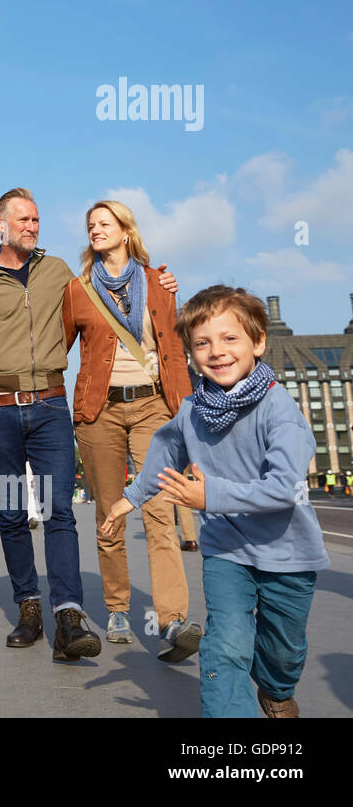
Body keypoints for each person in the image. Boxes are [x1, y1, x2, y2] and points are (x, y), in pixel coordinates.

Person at [0, 188, 179, 661]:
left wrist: (159, 280)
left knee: (59, 510)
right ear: (0, 225)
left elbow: (112, 290)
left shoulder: (59, 273)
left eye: (36, 219)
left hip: (51, 406)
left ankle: (69, 615)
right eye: (23, 219)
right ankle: (28, 607)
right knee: (12, 513)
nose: (31, 226)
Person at [102, 286, 329, 718]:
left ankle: (277, 691)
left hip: (289, 552)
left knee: (282, 651)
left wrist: (211, 496)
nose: (217, 351)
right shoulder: (192, 410)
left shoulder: (279, 409)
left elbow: (284, 487)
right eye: (203, 343)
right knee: (225, 645)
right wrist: (129, 498)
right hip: (227, 549)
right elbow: (165, 453)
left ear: (257, 342)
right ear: (190, 354)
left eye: (229, 338)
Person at [62, 200, 201, 660]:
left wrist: (185, 411)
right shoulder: (78, 290)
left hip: (152, 407)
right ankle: (118, 607)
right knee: (110, 512)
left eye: (104, 223)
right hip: (100, 411)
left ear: (126, 231)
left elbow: (174, 351)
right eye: (91, 225)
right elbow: (57, 350)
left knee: (160, 510)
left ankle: (171, 619)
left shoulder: (159, 283)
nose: (95, 230)